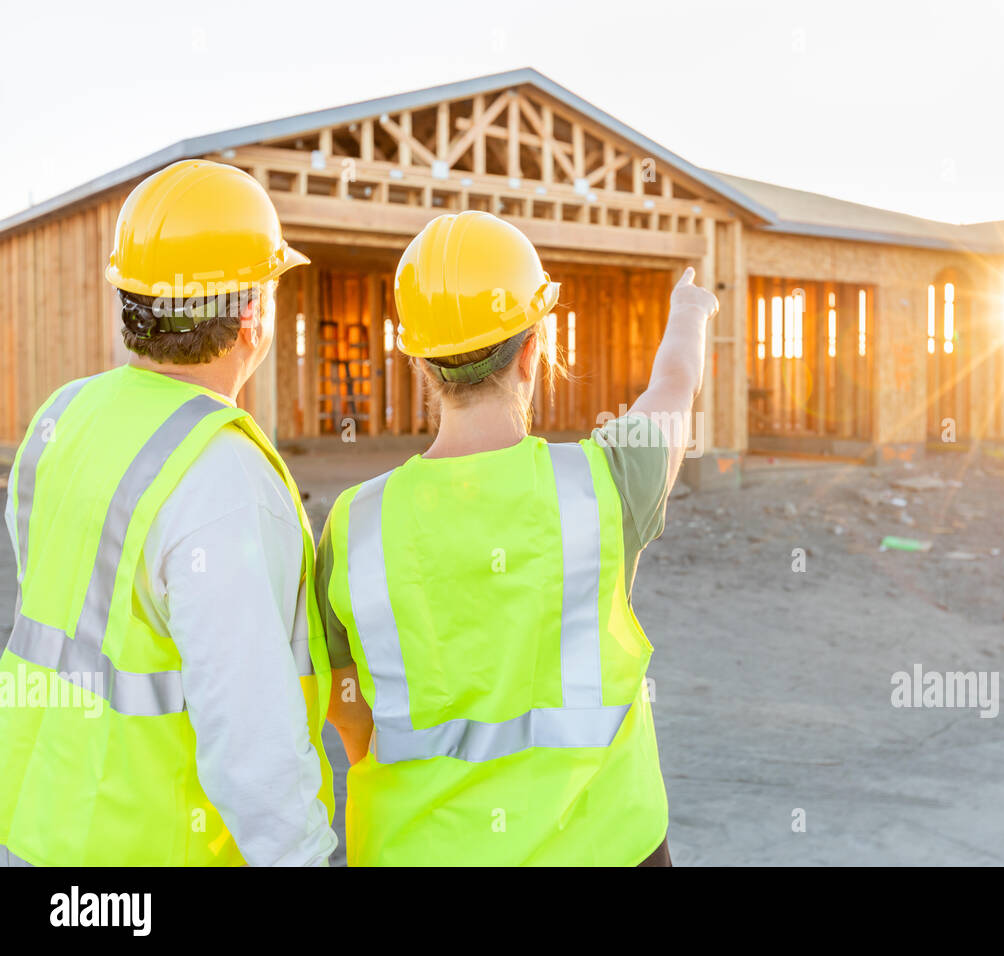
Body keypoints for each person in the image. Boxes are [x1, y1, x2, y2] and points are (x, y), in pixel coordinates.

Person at [317, 210, 718, 865]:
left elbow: (345, 700)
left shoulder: (356, 522)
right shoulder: (606, 481)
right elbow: (673, 388)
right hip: (608, 847)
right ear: (534, 349)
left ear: (420, 361)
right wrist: (690, 311)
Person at [0, 159, 336, 866]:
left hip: (32, 824)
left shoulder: (64, 414)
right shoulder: (223, 476)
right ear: (252, 315)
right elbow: (251, 740)